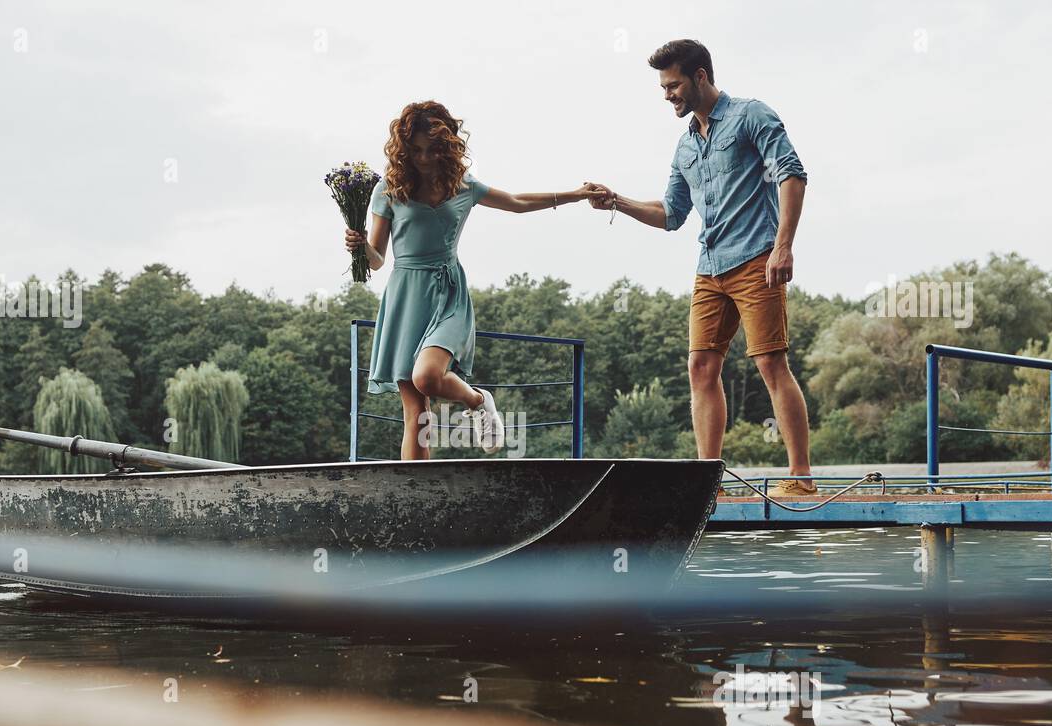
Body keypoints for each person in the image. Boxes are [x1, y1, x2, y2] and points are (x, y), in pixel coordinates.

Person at [585, 39, 817, 495]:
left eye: (672, 85)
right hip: (709, 266)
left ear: (701, 77)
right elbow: (671, 214)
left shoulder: (752, 116)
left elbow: (792, 173)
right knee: (700, 367)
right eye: (663, 87)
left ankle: (801, 478)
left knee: (770, 362)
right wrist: (617, 202)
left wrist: (783, 246)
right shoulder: (685, 145)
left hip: (756, 258)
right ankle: (707, 481)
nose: (667, 95)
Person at [346, 100, 598, 460]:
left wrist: (575, 194)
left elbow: (516, 202)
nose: (424, 158)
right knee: (416, 416)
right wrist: (360, 248)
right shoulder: (389, 189)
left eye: (432, 149)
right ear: (404, 148)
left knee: (427, 377)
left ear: (446, 146)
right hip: (404, 297)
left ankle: (478, 401)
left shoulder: (462, 185)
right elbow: (377, 259)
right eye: (415, 150)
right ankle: (419, 500)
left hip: (448, 295)